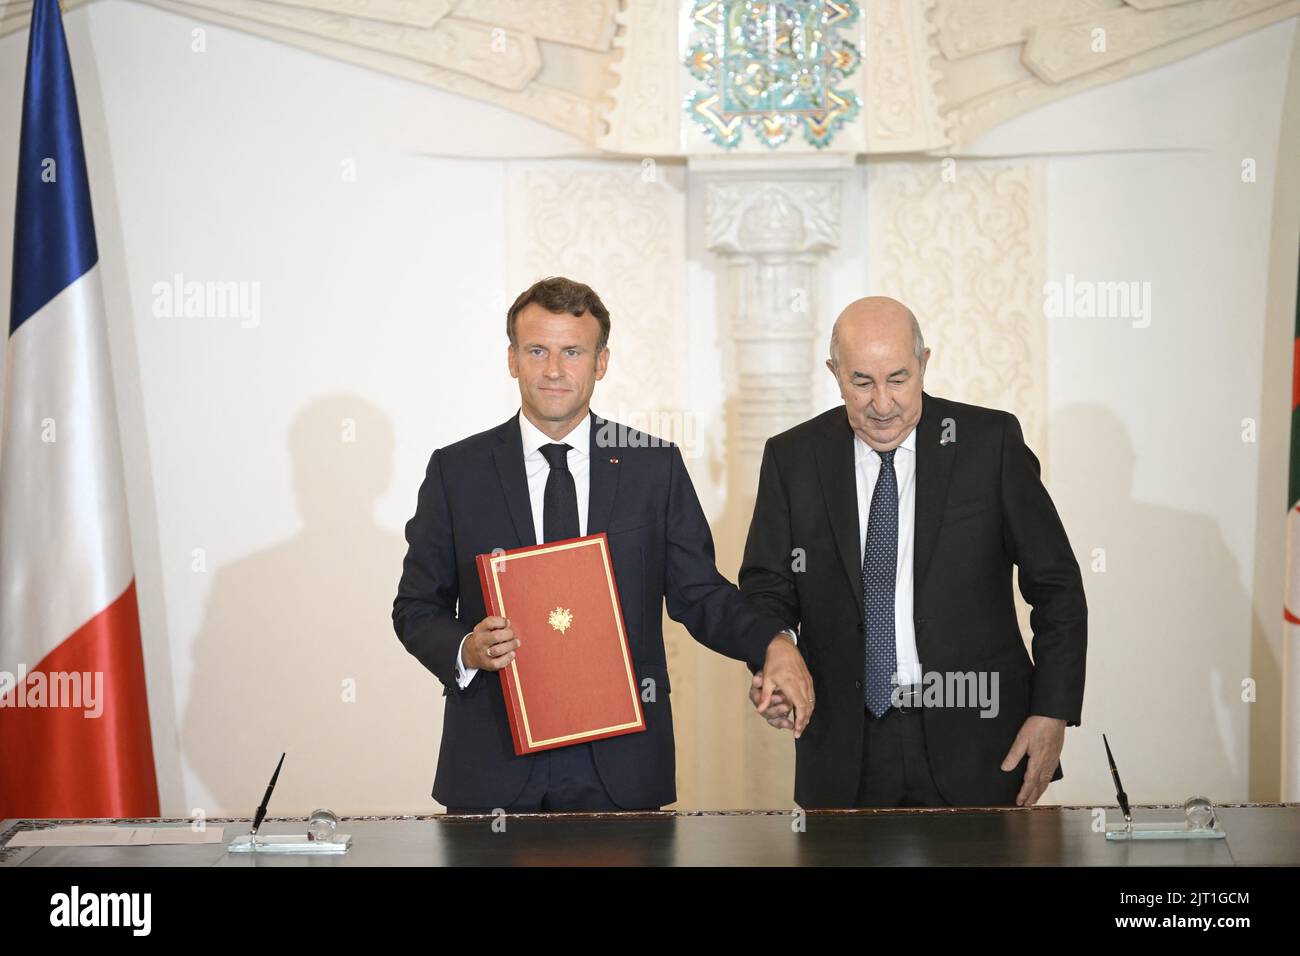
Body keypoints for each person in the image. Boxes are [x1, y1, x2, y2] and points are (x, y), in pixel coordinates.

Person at [393, 276, 813, 812]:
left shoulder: (652, 467)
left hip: (622, 766)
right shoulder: (457, 471)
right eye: (537, 350)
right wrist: (466, 650)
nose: (553, 370)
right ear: (512, 358)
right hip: (493, 767)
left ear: (601, 361)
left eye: (572, 351)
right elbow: (415, 606)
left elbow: (700, 594)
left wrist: (773, 642)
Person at [741, 296, 1086, 808]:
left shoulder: (989, 444)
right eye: (861, 382)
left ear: (925, 363)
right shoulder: (793, 458)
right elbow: (768, 587)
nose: (882, 404)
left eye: (898, 379)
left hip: (982, 740)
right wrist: (777, 651)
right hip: (844, 750)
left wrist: (1052, 711)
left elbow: (1056, 587)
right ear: (834, 372)